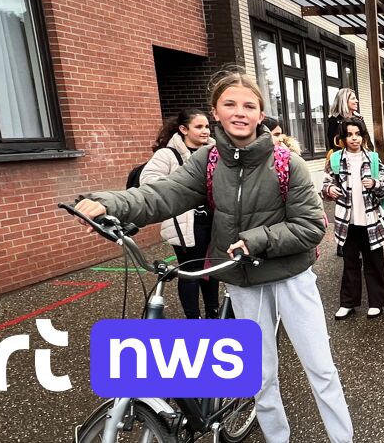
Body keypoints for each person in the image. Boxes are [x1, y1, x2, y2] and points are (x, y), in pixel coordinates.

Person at [74, 69, 352, 443]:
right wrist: (108, 203)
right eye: (230, 104)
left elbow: (311, 226)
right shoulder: (207, 161)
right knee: (261, 377)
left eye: (249, 105)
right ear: (216, 112)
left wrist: (258, 239)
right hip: (243, 282)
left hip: (290, 277)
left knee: (321, 370)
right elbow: (161, 195)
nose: (240, 112)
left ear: (260, 113)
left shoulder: (288, 164)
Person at [138, 109, 216, 320]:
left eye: (207, 126)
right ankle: (193, 319)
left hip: (212, 221)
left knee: (210, 269)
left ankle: (213, 313)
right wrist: (181, 187)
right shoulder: (167, 154)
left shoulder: (214, 151)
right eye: (198, 127)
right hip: (185, 223)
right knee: (190, 271)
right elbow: (148, 181)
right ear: (183, 129)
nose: (205, 131)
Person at [322, 117, 384, 320]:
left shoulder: (372, 158)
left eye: (358, 134)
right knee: (350, 262)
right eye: (349, 135)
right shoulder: (335, 159)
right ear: (343, 138)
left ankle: (377, 302)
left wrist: (376, 184)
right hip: (347, 220)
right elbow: (325, 186)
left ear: (363, 136)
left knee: (374, 261)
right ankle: (348, 303)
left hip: (371, 219)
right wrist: (330, 189)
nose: (354, 139)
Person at [326, 88, 369, 153]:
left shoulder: (359, 119)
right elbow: (333, 144)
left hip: (362, 157)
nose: (357, 101)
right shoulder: (334, 121)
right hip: (342, 159)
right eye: (353, 98)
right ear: (344, 101)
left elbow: (367, 141)